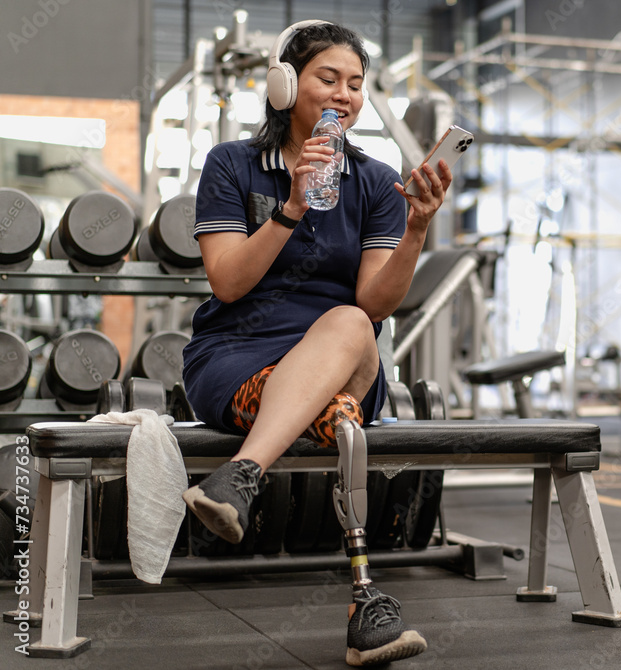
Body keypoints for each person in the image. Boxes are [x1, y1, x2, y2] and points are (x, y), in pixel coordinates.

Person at [180, 20, 451, 667]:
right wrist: (293, 205)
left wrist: (414, 230)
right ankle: (366, 605)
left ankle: (241, 475)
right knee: (341, 420)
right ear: (284, 84)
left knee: (354, 324)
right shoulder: (232, 166)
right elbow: (229, 281)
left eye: (355, 84)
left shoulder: (376, 180)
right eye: (328, 78)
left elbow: (375, 303)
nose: (345, 95)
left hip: (342, 351)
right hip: (239, 353)